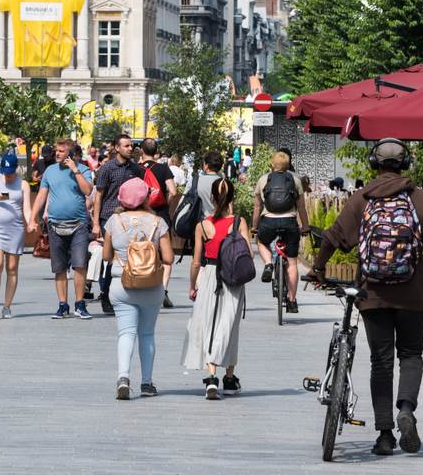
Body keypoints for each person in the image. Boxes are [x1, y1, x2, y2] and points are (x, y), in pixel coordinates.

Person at [312, 138, 423, 456]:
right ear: (405, 164)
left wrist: (318, 268)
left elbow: (333, 237)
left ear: (374, 163)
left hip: (372, 293)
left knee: (381, 363)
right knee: (411, 355)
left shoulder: (362, 198)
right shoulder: (421, 199)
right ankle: (406, 410)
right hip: (412, 294)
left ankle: (385, 435)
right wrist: (420, 269)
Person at [182, 178, 253, 399]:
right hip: (233, 278)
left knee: (210, 325)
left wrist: (193, 286)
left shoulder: (202, 225)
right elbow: (249, 254)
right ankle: (228, 378)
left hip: (210, 275)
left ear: (211, 197)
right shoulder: (239, 222)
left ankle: (211, 375)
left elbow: (196, 262)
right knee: (229, 326)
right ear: (232, 198)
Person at [104, 177, 174, 399]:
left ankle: (123, 377)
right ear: (146, 198)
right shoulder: (158, 222)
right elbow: (169, 258)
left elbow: (106, 256)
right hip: (151, 286)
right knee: (146, 334)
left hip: (121, 283)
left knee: (125, 332)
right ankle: (146, 382)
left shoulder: (114, 222)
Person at [29, 139, 95, 319]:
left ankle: (80, 304)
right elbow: (42, 195)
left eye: (61, 151)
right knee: (59, 267)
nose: (56, 153)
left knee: (80, 265)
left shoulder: (83, 170)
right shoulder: (50, 171)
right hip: (55, 225)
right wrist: (32, 217)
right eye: (56, 150)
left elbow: (88, 191)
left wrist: (75, 170)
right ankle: (62, 304)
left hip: (79, 224)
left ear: (71, 154)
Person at [92, 134, 144, 316]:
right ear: (116, 148)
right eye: (127, 146)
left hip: (130, 219)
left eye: (131, 146)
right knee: (110, 260)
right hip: (110, 217)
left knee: (129, 257)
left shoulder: (136, 169)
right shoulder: (107, 169)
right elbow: (98, 196)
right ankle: (106, 295)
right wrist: (96, 223)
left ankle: (128, 294)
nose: (131, 148)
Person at [253, 151, 309, 313]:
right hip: (290, 222)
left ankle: (269, 263)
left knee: (262, 242)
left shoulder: (264, 179)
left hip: (268, 221)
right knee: (292, 263)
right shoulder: (295, 180)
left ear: (271, 164)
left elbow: (257, 207)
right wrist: (305, 226)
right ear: (288, 166)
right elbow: (302, 208)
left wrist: (254, 226)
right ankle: (292, 301)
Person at [0, 151, 30, 320]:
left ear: (16, 169)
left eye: (10, 173)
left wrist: (31, 222)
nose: (7, 176)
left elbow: (27, 209)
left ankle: (7, 306)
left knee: (12, 269)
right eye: (5, 172)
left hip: (15, 229)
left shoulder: (23, 184)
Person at [139, 138, 178, 308]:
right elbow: (174, 191)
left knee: (142, 251)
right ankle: (163, 290)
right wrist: (167, 204)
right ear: (156, 151)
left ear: (141, 151)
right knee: (165, 256)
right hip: (161, 214)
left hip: (141, 214)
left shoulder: (136, 169)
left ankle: (142, 290)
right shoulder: (163, 169)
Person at [194, 151, 224, 218]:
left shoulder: (195, 181)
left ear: (206, 166)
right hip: (219, 222)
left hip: (201, 222)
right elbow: (229, 209)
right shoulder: (225, 183)